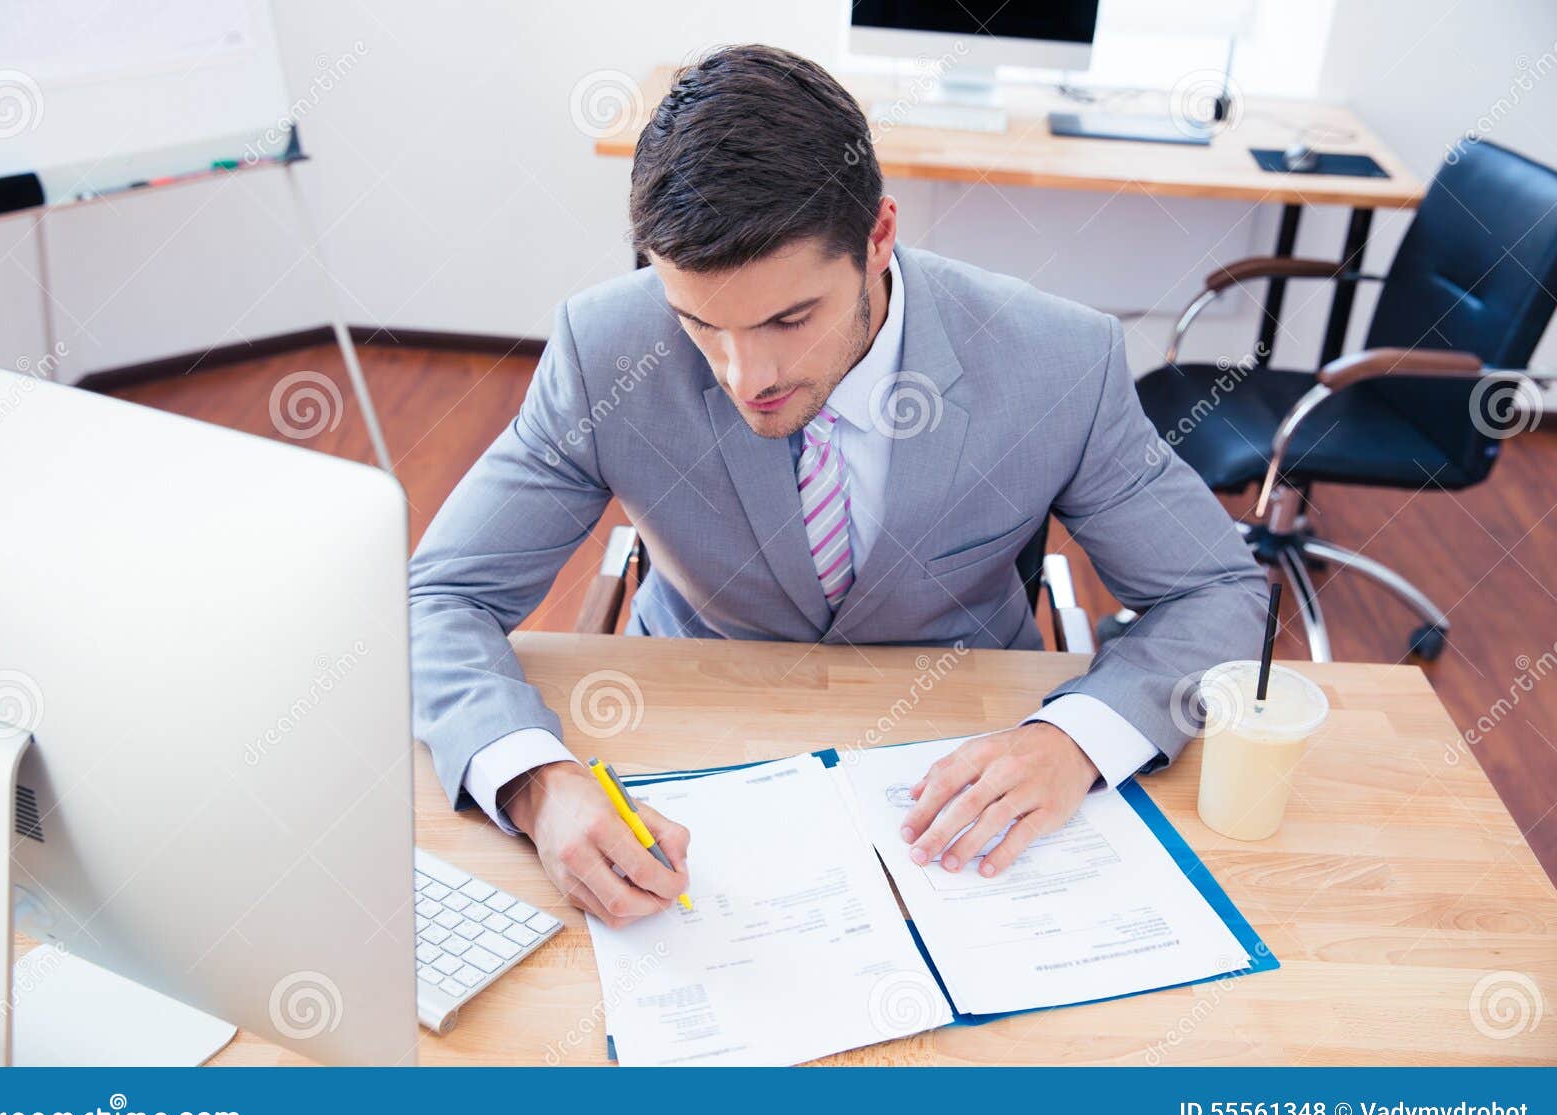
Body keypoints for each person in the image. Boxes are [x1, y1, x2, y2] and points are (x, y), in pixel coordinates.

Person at [410, 45, 1268, 928]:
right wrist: (535, 782)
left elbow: (1216, 592)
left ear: (879, 238)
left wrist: (1074, 740)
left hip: (967, 765)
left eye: (790, 318)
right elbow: (439, 595)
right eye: (700, 323)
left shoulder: (1056, 361)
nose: (747, 375)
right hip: (681, 746)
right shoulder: (606, 352)